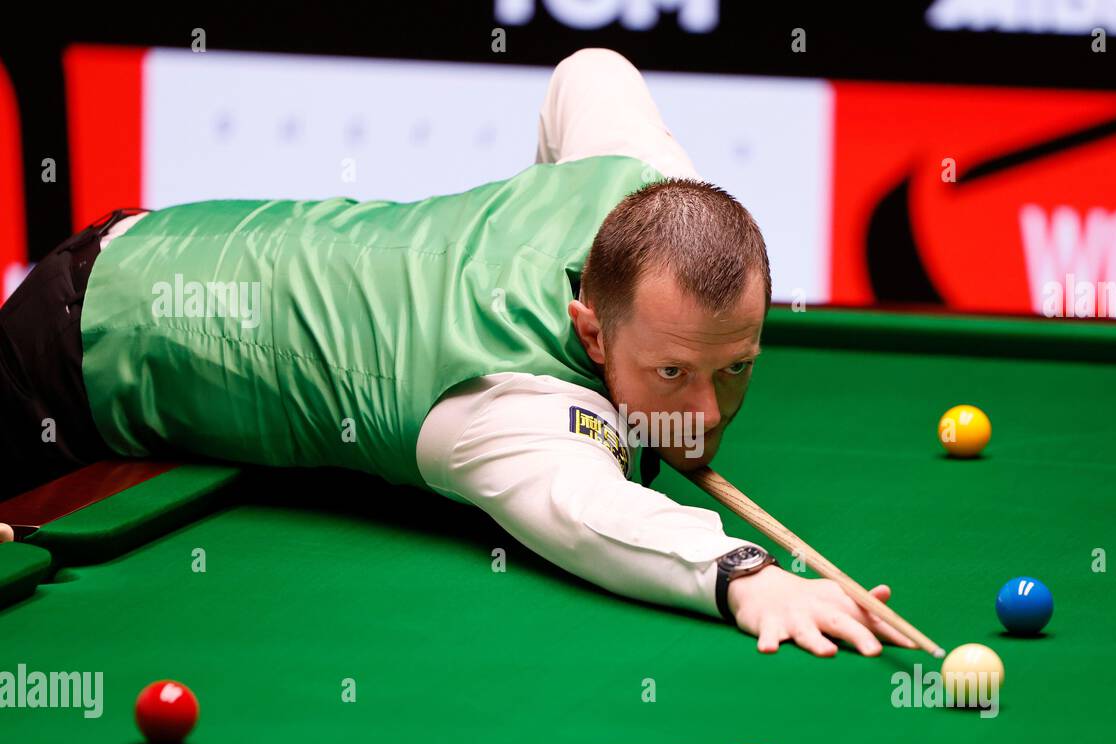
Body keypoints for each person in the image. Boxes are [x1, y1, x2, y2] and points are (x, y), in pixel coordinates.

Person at [0, 48, 905, 656]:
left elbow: (591, 71)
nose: (705, 414)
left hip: (179, 242)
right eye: (672, 373)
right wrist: (744, 579)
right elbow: (586, 514)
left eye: (735, 366)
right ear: (590, 330)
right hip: (90, 338)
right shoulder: (507, 406)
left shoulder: (641, 183)